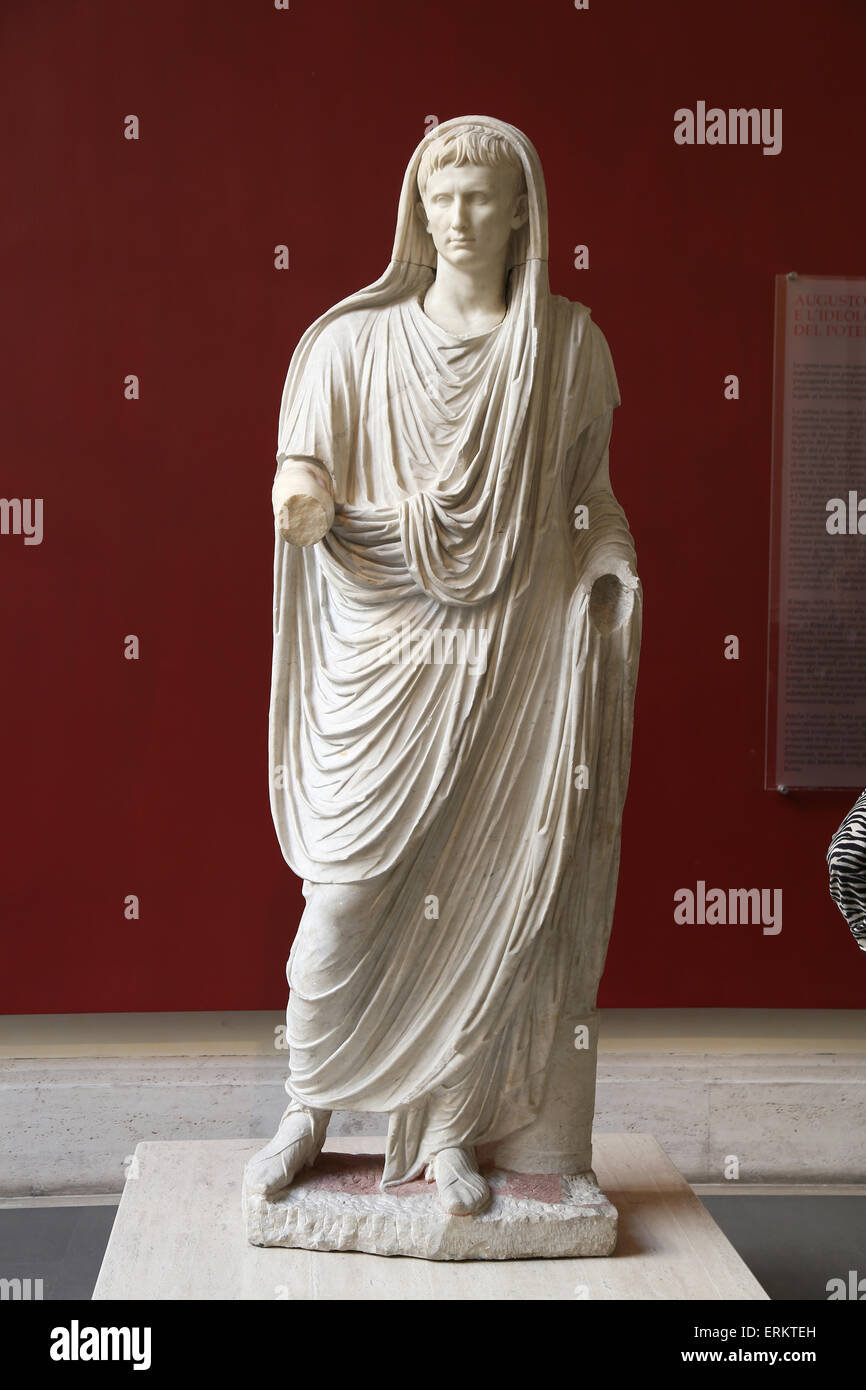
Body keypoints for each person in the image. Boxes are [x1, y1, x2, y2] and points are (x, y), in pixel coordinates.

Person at [245, 116, 642, 1217]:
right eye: (441, 197)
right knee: (346, 896)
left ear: (522, 214)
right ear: (415, 210)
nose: (459, 218)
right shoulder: (348, 347)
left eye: (481, 198)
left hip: (510, 664)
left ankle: (449, 1130)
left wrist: (609, 573)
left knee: (487, 901)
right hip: (383, 658)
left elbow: (588, 506)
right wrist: (299, 498)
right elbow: (301, 472)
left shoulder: (567, 347)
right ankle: (307, 1107)